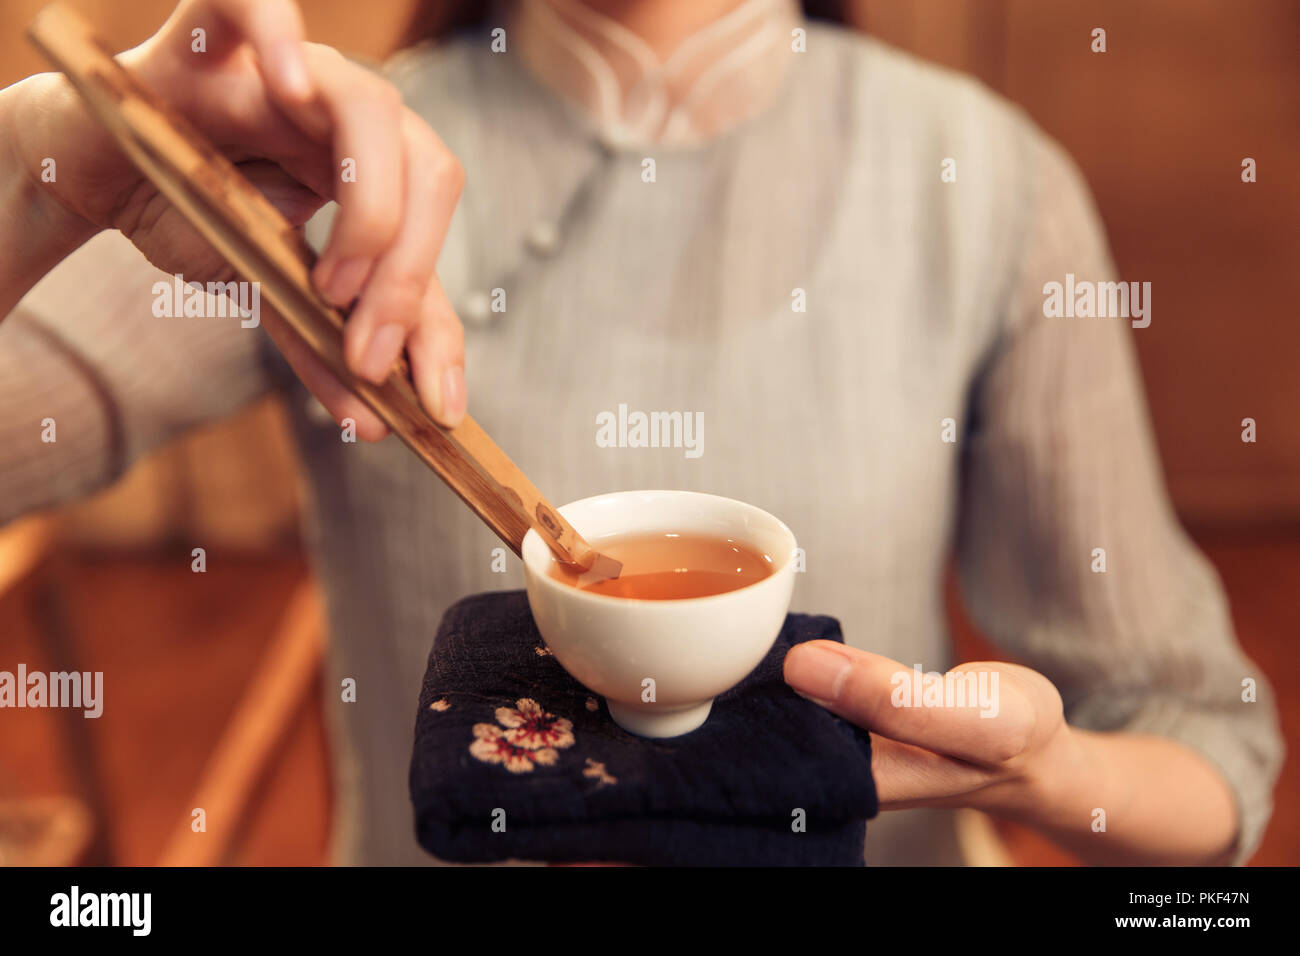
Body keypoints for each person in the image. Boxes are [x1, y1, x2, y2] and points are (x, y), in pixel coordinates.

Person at [0, 0, 1281, 865]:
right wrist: (50, 165)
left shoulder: (985, 180)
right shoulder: (323, 167)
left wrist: (1041, 773)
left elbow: (1204, 743)